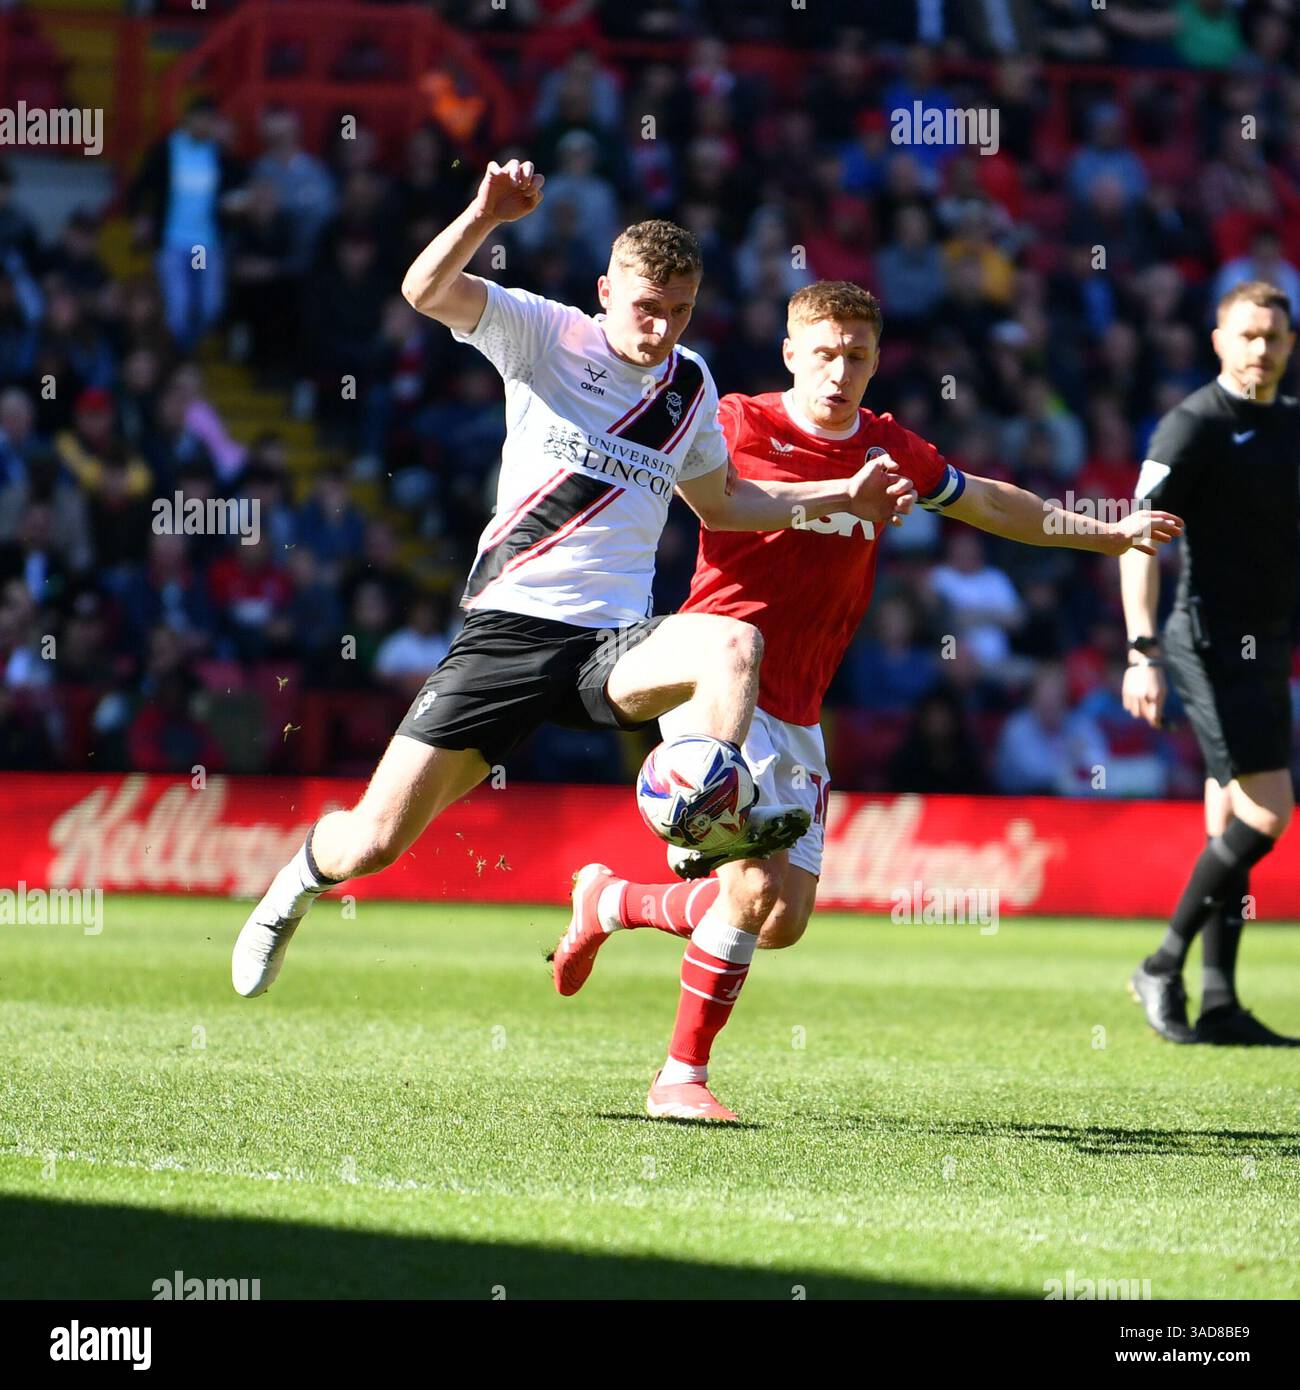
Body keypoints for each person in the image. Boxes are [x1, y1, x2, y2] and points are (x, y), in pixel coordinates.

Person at [231, 161, 915, 1004]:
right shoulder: (546, 334)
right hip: (512, 631)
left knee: (735, 640)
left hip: (612, 642)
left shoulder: (690, 384)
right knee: (371, 845)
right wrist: (486, 214)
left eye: (680, 312)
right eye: (645, 309)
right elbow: (423, 291)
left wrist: (836, 496)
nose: (661, 329)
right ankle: (292, 888)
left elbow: (727, 503)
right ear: (604, 292)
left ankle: (710, 812)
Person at [553, 279, 1183, 1122]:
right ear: (790, 354)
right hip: (720, 670)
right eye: (822, 353)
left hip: (803, 704)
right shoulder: (735, 421)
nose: (838, 371)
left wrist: (1103, 534)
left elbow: (992, 502)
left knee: (781, 919)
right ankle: (680, 1077)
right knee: (748, 890)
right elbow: (629, 459)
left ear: (877, 360)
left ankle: (613, 902)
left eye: (855, 356)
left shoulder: (890, 452)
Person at [1122, 280, 1300, 1046]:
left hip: (1268, 643)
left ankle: (1221, 1001)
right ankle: (1161, 964)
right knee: (1269, 812)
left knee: (1229, 818)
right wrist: (1141, 650)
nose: (1262, 348)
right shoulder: (1192, 426)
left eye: (1275, 336)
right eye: (1249, 334)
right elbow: (1138, 536)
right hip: (1205, 641)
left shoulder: (1291, 424)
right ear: (1219, 339)